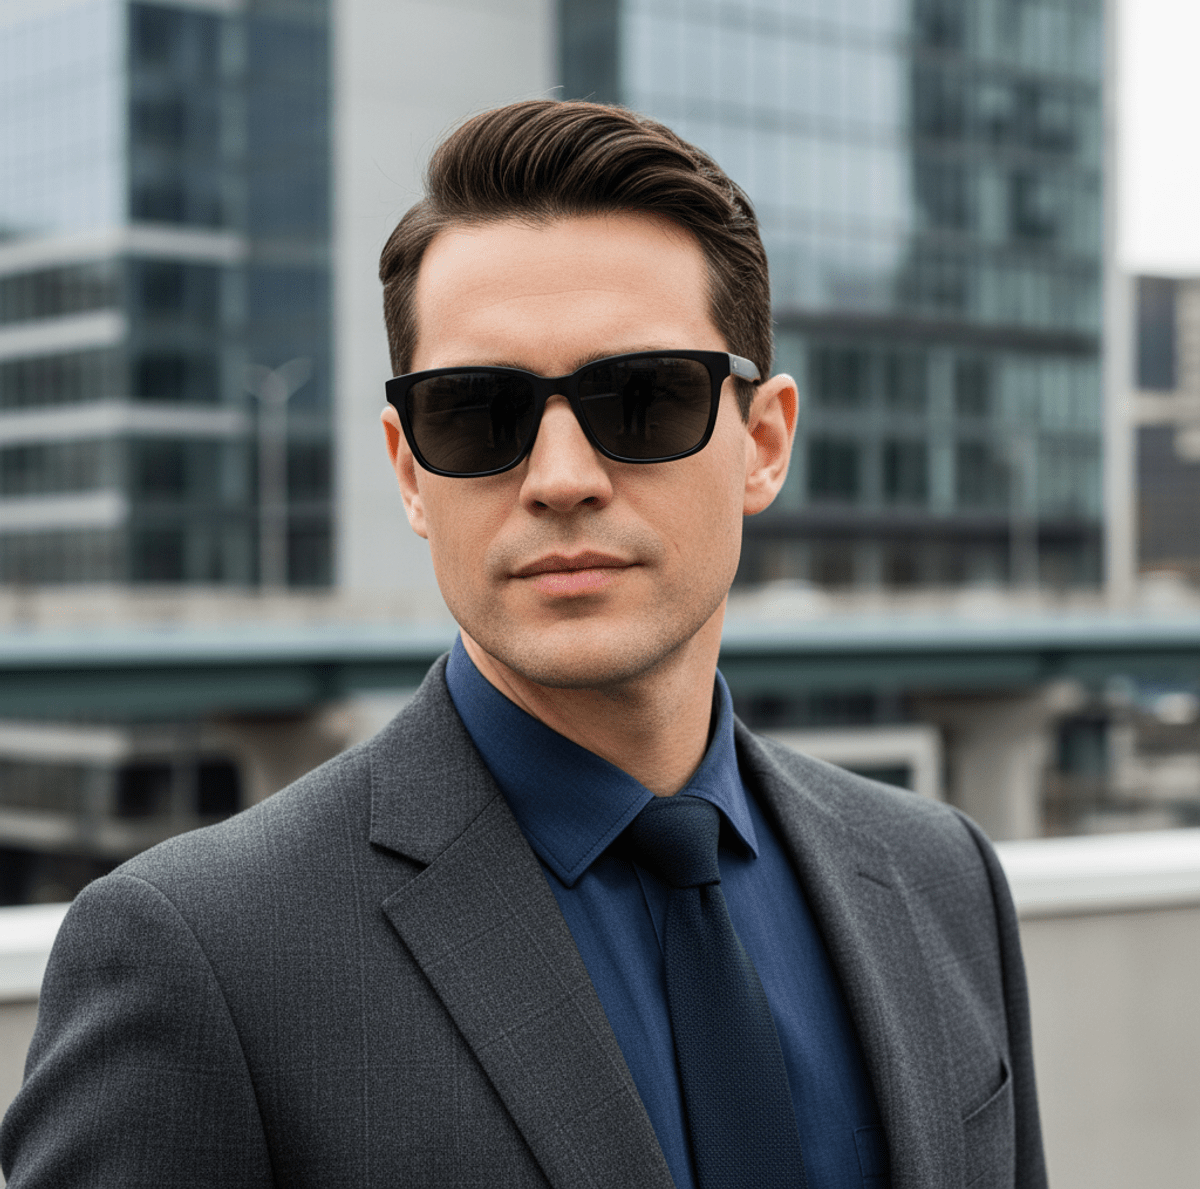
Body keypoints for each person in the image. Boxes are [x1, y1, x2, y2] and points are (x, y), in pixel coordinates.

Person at [1, 100, 1046, 1189]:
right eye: (475, 413)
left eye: (641, 399)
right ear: (410, 471)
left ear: (764, 443)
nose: (559, 478)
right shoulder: (201, 955)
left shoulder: (941, 878)